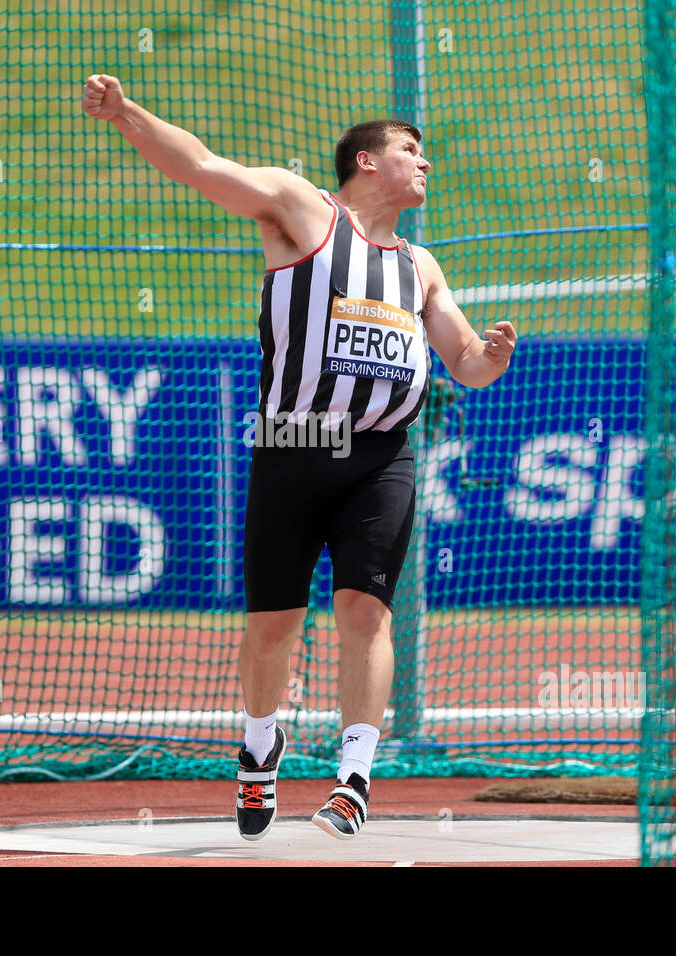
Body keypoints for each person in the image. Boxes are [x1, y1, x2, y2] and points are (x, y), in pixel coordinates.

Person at [82, 74, 517, 840]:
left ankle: (353, 778)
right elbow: (198, 165)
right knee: (274, 630)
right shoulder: (301, 209)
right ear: (367, 164)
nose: (425, 165)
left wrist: (492, 354)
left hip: (381, 457)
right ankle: (260, 750)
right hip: (295, 444)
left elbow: (467, 364)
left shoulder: (421, 267)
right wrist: (125, 114)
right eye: (411, 152)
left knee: (364, 610)